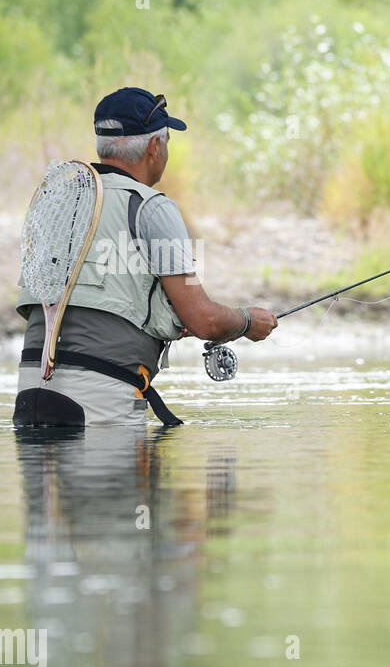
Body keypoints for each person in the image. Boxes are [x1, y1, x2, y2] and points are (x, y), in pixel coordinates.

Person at [14, 87, 277, 427]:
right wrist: (247, 321)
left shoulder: (56, 201)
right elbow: (204, 321)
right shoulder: (152, 208)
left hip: (29, 392)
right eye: (167, 141)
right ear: (155, 147)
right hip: (99, 399)